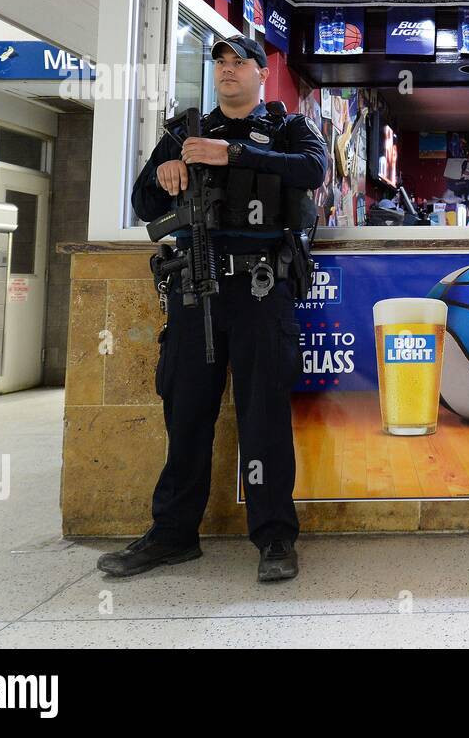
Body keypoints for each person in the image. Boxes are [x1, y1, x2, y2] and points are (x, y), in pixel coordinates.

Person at [98, 34, 327, 583]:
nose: (227, 71)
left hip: (260, 288)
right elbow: (143, 203)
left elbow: (313, 171)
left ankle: (274, 538)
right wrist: (163, 173)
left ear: (260, 73)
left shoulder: (288, 125)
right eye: (219, 63)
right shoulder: (185, 130)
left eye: (239, 63)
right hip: (194, 289)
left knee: (264, 416)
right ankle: (173, 535)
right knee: (186, 414)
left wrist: (237, 154)